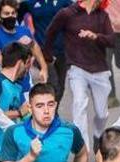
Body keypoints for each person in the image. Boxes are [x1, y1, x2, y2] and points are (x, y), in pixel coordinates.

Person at [45, 0, 113, 150]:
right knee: (79, 104)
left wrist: (96, 36)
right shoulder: (67, 13)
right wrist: (47, 56)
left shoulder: (102, 16)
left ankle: (97, 136)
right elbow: (50, 32)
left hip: (99, 69)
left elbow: (112, 40)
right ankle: (82, 148)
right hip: (77, 67)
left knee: (102, 113)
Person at [0, 0, 51, 91]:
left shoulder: (24, 31)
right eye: (6, 13)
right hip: (6, 86)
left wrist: (44, 68)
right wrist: (18, 45)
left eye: (13, 13)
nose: (10, 16)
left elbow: (34, 46)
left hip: (25, 85)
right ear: (0, 16)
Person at [23, 0, 74, 100]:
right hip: (43, 50)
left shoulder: (64, 2)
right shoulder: (30, 3)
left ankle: (53, 111)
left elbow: (79, 11)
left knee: (61, 87)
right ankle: (51, 113)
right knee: (53, 85)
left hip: (61, 49)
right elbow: (15, 14)